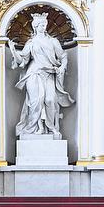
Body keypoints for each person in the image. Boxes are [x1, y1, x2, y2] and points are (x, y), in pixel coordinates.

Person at [10, 10, 72, 138]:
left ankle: (51, 128)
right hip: (34, 73)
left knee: (50, 100)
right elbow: (23, 60)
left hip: (49, 73)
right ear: (35, 26)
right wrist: (12, 50)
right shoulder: (31, 43)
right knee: (36, 101)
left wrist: (62, 67)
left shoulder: (53, 41)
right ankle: (35, 128)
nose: (43, 27)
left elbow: (63, 56)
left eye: (44, 24)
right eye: (40, 25)